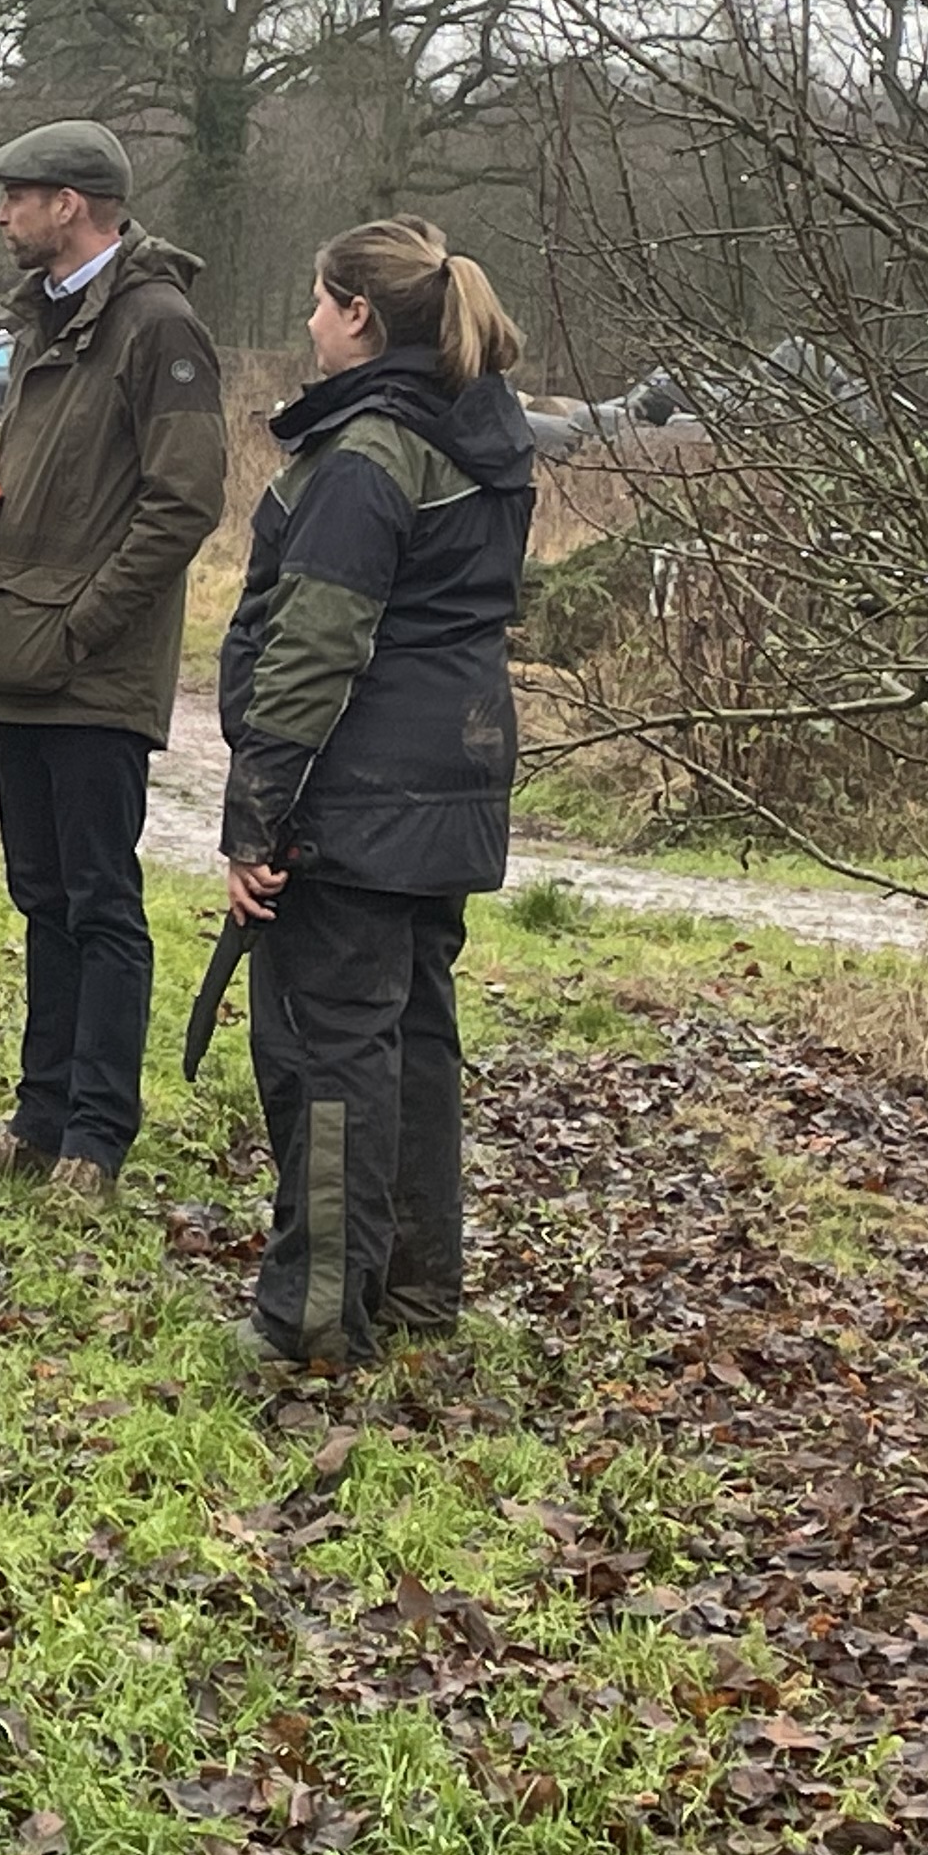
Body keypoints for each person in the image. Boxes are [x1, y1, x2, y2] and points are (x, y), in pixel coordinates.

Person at [217, 216, 537, 1368]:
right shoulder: (486, 434)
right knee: (413, 1037)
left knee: (327, 1049)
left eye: (317, 299)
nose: (306, 320)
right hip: (456, 770)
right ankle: (415, 1293)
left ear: (359, 316)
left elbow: (315, 646)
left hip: (356, 792)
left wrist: (257, 813)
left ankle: (311, 1316)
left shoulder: (368, 454)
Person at [0, 121, 227, 1206]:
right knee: (41, 895)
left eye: (18, 196)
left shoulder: (158, 326)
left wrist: (90, 624)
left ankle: (97, 1141)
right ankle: (37, 1127)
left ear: (75, 204)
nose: (2, 214)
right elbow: (62, 490)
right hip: (22, 650)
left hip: (90, 668)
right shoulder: (46, 321)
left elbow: (184, 501)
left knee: (101, 900)